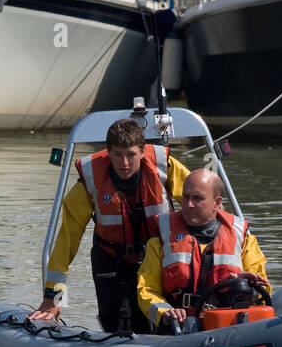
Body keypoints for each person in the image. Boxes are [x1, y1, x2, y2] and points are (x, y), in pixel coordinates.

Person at [28, 119, 189, 335]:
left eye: (131, 155)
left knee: (167, 321)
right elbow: (67, 240)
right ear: (108, 152)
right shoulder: (91, 180)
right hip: (111, 260)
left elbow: (202, 206)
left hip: (156, 257)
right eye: (117, 154)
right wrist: (53, 298)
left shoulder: (164, 167)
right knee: (117, 325)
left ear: (142, 151)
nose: (124, 163)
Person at [137, 169, 269, 331]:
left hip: (227, 327)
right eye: (186, 197)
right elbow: (147, 289)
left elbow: (263, 291)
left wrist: (245, 286)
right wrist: (165, 313)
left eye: (197, 198)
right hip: (177, 329)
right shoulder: (163, 236)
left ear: (217, 202)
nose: (188, 204)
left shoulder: (242, 238)